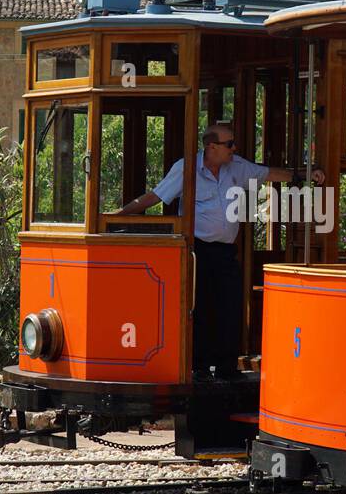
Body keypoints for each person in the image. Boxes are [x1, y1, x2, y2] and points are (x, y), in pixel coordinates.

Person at [117, 122, 324, 380]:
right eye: (229, 144)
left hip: (225, 252)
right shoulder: (187, 168)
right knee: (200, 307)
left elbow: (268, 173)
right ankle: (200, 368)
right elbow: (156, 196)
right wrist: (117, 216)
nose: (234, 148)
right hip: (197, 251)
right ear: (211, 147)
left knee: (230, 305)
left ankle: (227, 367)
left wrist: (304, 174)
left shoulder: (235, 166)